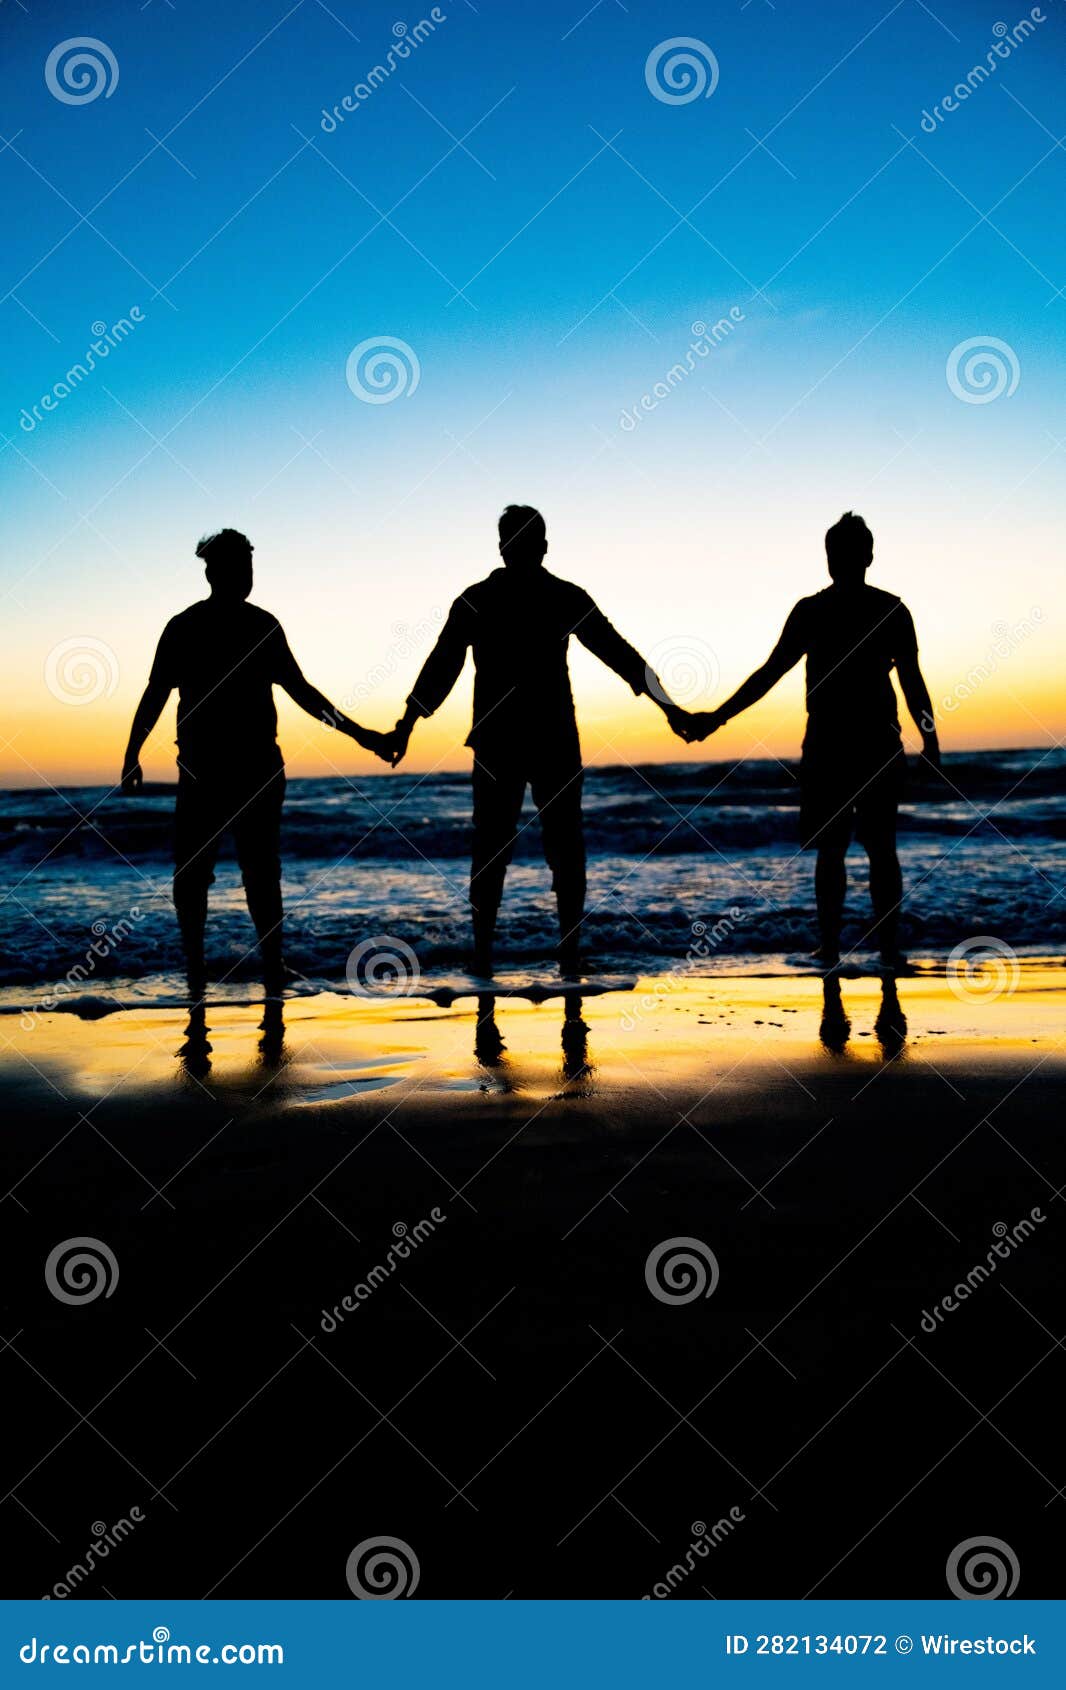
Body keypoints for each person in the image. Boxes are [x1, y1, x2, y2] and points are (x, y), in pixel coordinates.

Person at [384, 505, 692, 976]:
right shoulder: (531, 598)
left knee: (510, 849)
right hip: (530, 741)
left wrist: (406, 725)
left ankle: (500, 955)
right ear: (528, 546)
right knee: (544, 848)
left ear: (511, 546)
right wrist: (668, 708)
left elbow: (618, 654)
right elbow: (441, 667)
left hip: (518, 742)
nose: (524, 549)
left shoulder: (497, 598)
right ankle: (539, 954)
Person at [121, 529, 392, 1000]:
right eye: (237, 567)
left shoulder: (262, 625)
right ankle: (197, 968)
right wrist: (131, 753)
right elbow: (156, 694)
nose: (246, 576)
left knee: (259, 872)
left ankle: (269, 965)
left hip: (257, 770)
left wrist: (360, 734)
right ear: (212, 572)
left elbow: (303, 694)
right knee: (194, 874)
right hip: (203, 770)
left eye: (249, 566)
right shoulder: (184, 627)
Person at [684, 512, 940, 973]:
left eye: (843, 552)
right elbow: (912, 684)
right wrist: (930, 739)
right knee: (865, 848)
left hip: (848, 744)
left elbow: (911, 681)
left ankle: (842, 947)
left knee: (853, 849)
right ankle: (864, 947)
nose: (838, 560)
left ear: (863, 557)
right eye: (835, 552)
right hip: (850, 744)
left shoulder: (855, 611)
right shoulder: (864, 610)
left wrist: (715, 720)